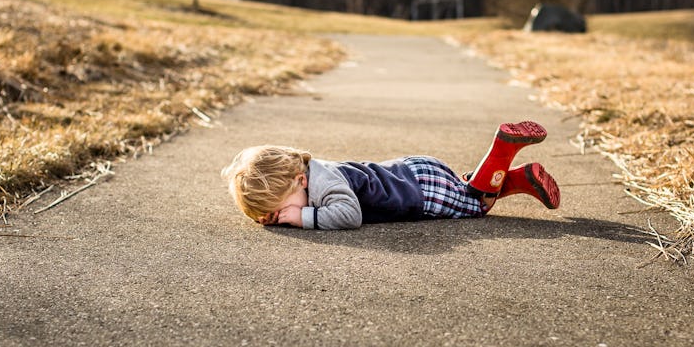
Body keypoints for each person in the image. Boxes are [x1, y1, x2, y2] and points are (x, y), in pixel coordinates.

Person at [221, 121, 561, 229]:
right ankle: (519, 178)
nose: (283, 215)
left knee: (478, 206)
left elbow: (350, 215)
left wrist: (303, 217)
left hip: (421, 190)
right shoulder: (311, 172)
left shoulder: (324, 185)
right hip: (415, 172)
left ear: (301, 181)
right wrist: (278, 213)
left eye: (281, 207)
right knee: (469, 191)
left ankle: (502, 151)